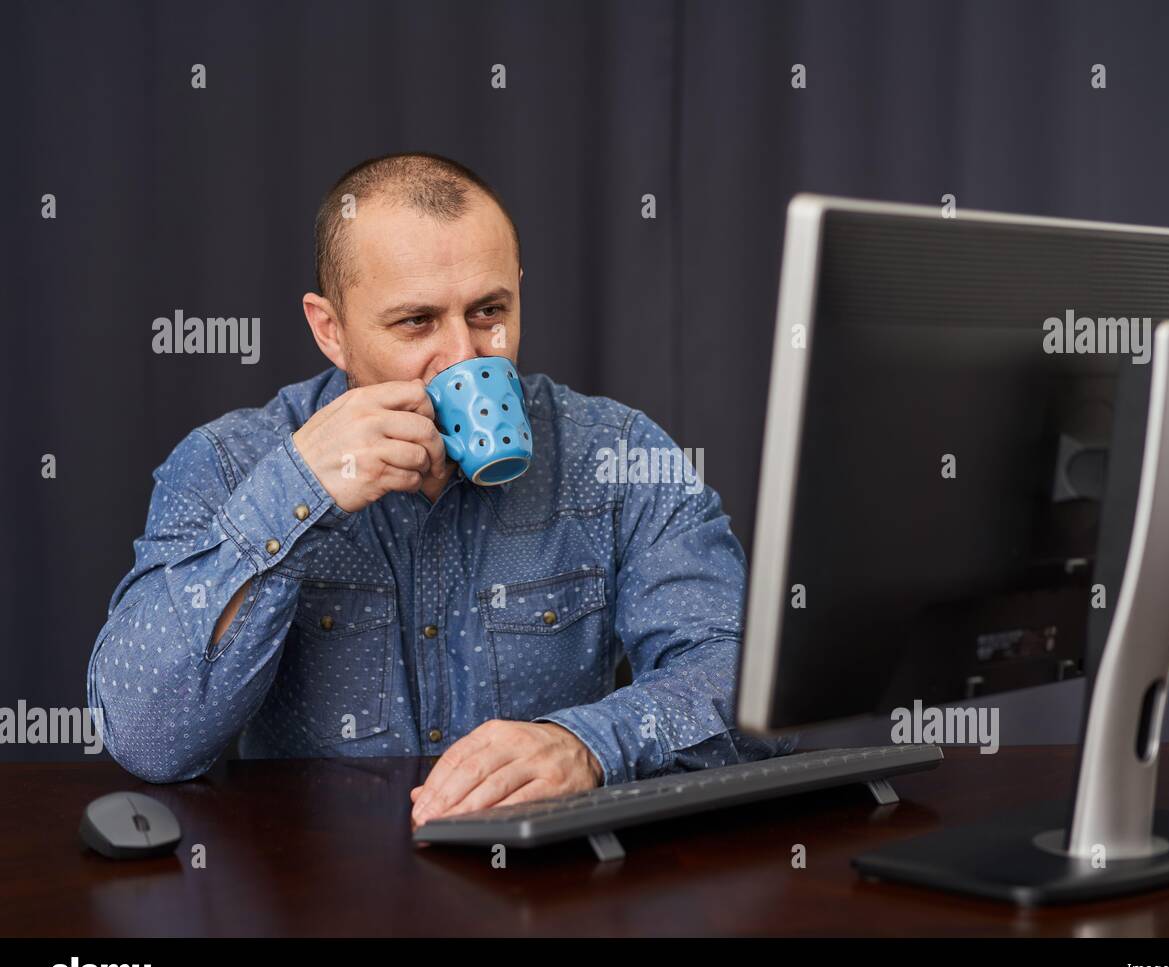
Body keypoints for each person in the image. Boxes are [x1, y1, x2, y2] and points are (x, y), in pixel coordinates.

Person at [87, 151, 794, 827]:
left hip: (547, 894)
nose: (464, 354)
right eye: (417, 321)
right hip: (315, 893)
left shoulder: (616, 452)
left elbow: (750, 687)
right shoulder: (229, 463)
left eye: (489, 311)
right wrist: (293, 495)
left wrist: (588, 745)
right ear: (330, 330)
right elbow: (147, 737)